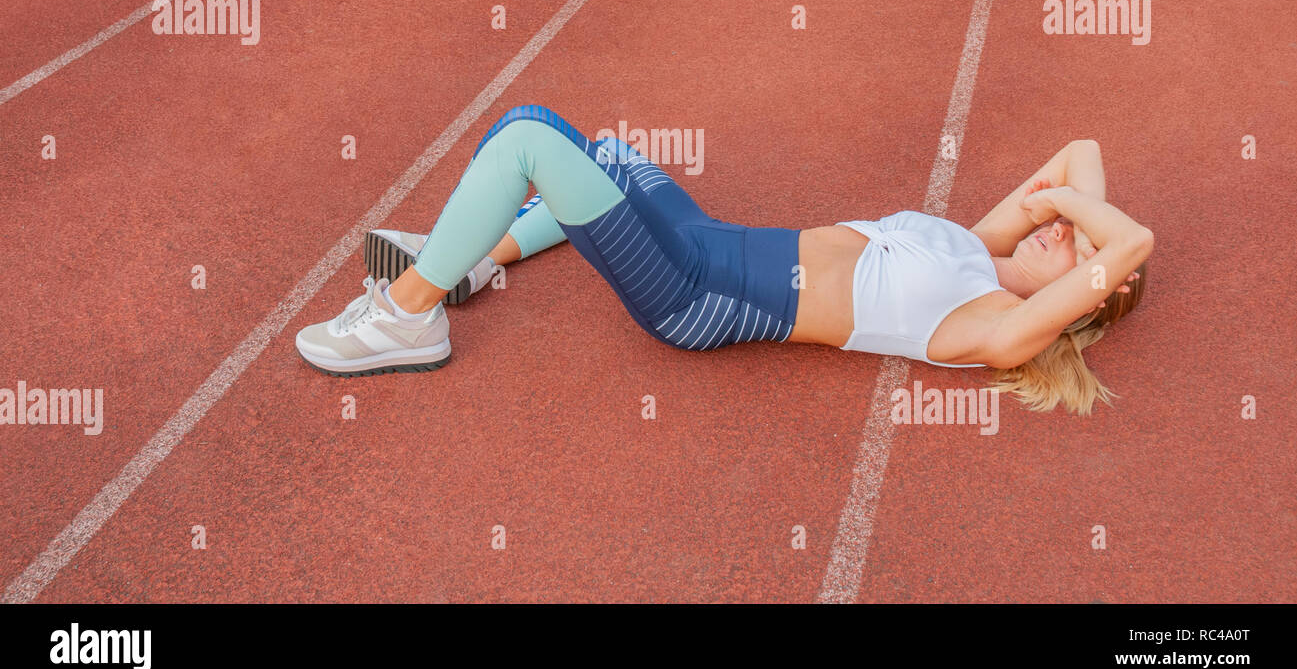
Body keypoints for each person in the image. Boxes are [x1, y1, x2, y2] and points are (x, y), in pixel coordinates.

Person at [296, 105, 1152, 415]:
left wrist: (1085, 226)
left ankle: (408, 315)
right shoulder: (975, 248)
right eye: (1064, 225)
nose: (1057, 230)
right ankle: (477, 260)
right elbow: (1081, 147)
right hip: (705, 238)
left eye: (1075, 250)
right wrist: (1067, 214)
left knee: (529, 137)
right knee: (606, 153)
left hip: (697, 295)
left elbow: (1133, 244)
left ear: (1082, 298)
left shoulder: (995, 327)